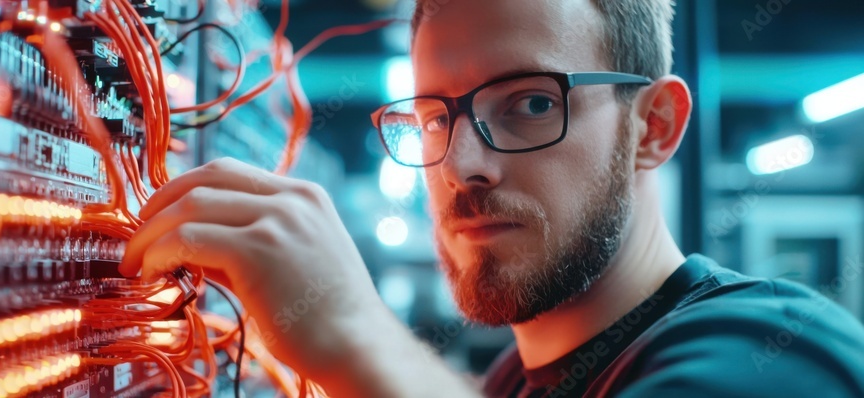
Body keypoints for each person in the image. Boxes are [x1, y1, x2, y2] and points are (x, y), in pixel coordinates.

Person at [118, 0, 864, 396]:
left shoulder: (779, 354)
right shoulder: (513, 381)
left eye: (530, 104)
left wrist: (354, 333)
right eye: (435, 118)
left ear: (654, 127)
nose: (462, 166)